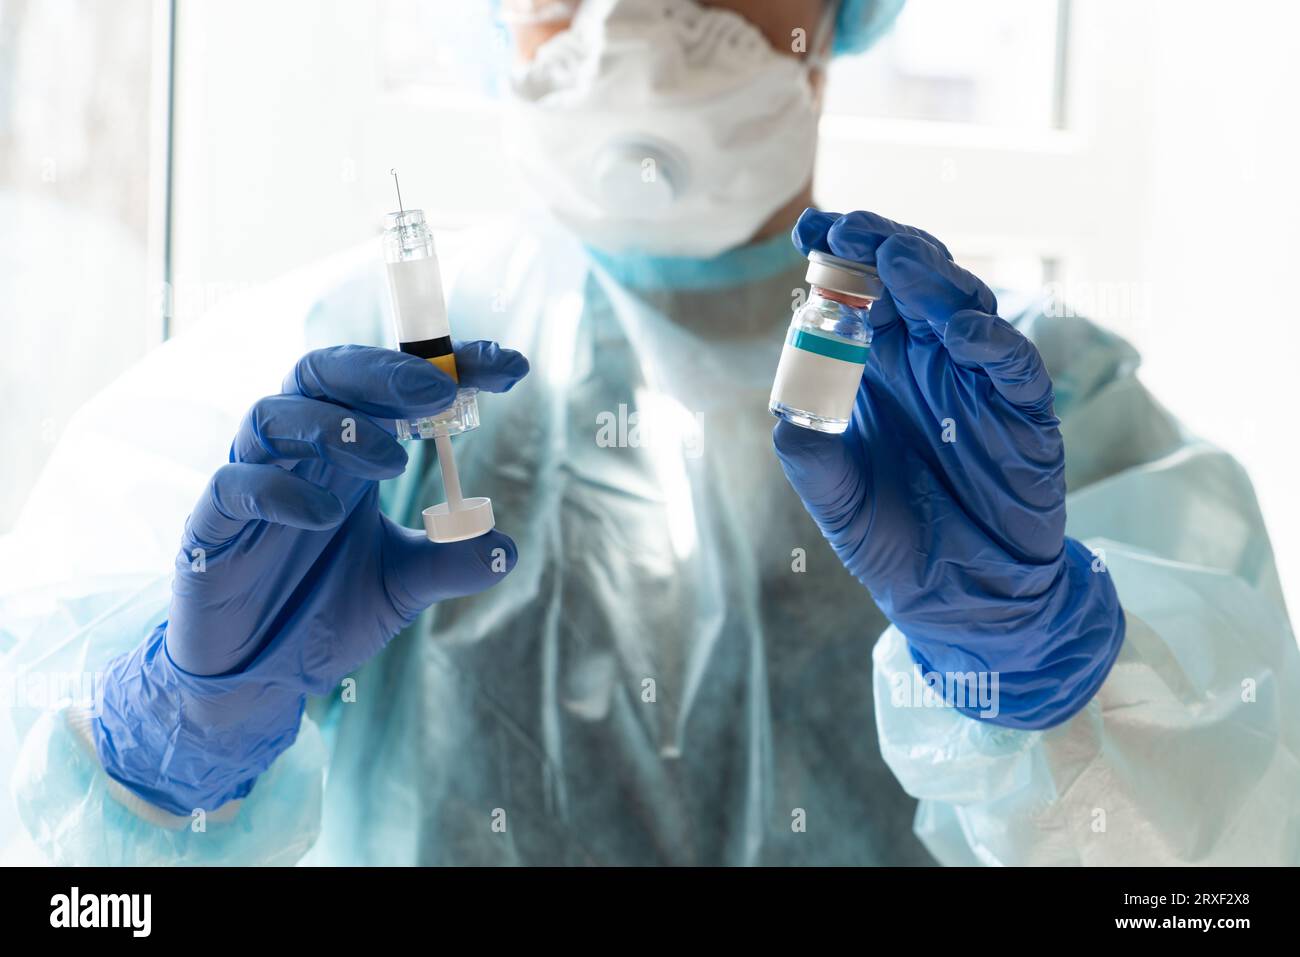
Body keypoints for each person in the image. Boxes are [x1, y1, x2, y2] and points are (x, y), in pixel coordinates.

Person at [2, 0, 1297, 866]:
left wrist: (1056, 685)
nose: (631, 16)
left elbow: (1225, 868)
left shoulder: (1029, 417)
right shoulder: (325, 403)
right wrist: (163, 753)